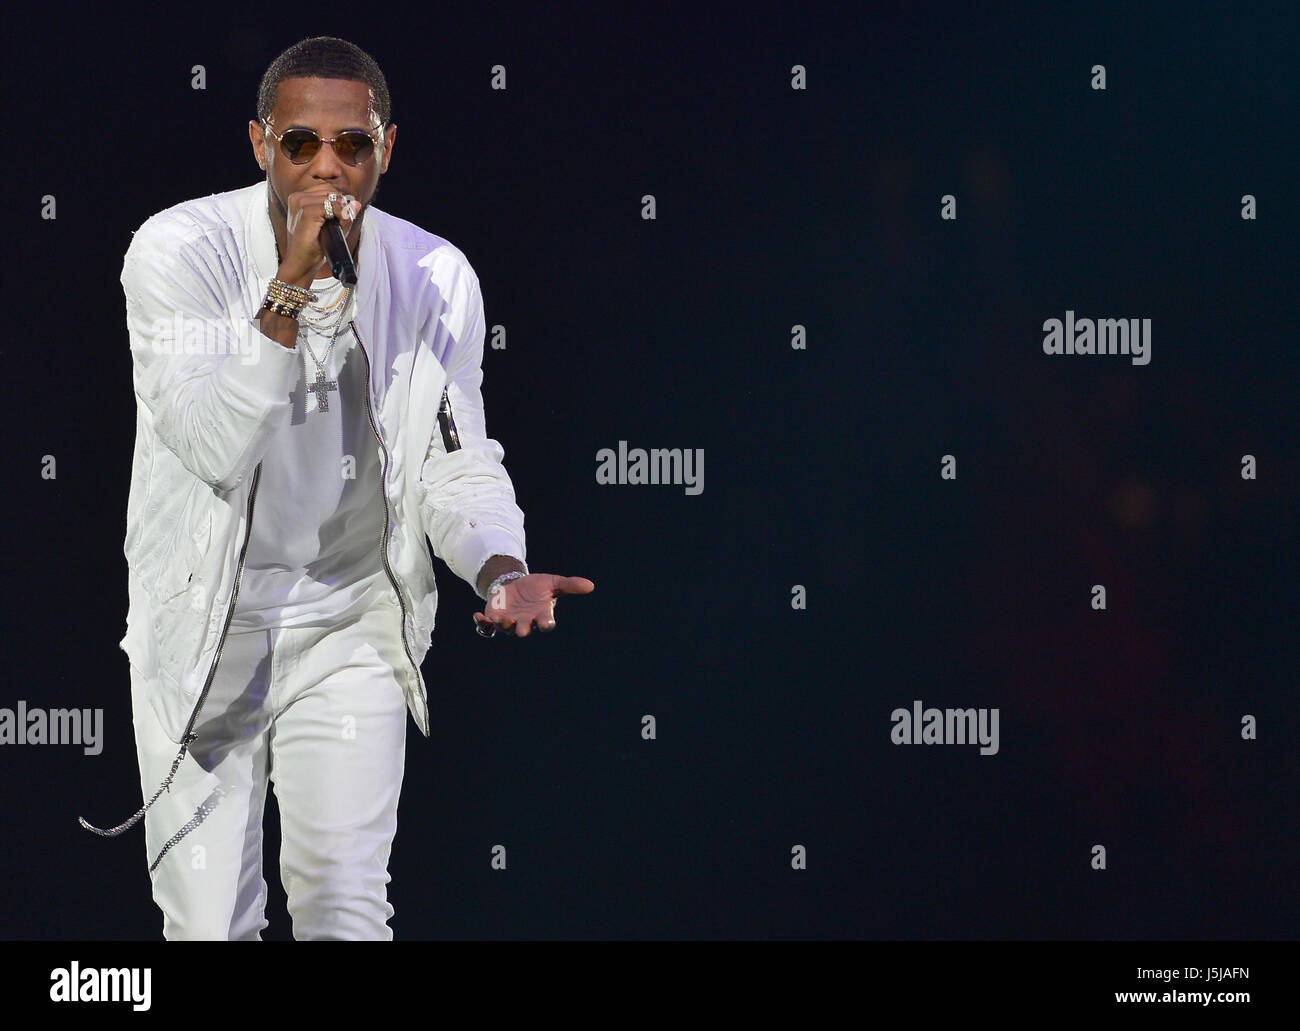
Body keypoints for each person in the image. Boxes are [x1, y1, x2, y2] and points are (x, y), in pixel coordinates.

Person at [79, 35, 594, 940]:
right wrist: (290, 286)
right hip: (206, 627)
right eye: (301, 144)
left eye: (352, 145)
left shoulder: (435, 276)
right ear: (258, 144)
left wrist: (497, 565)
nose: (329, 168)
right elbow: (211, 446)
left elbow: (455, 455)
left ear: (385, 148)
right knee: (207, 927)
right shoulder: (178, 252)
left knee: (345, 910)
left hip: (349, 620)